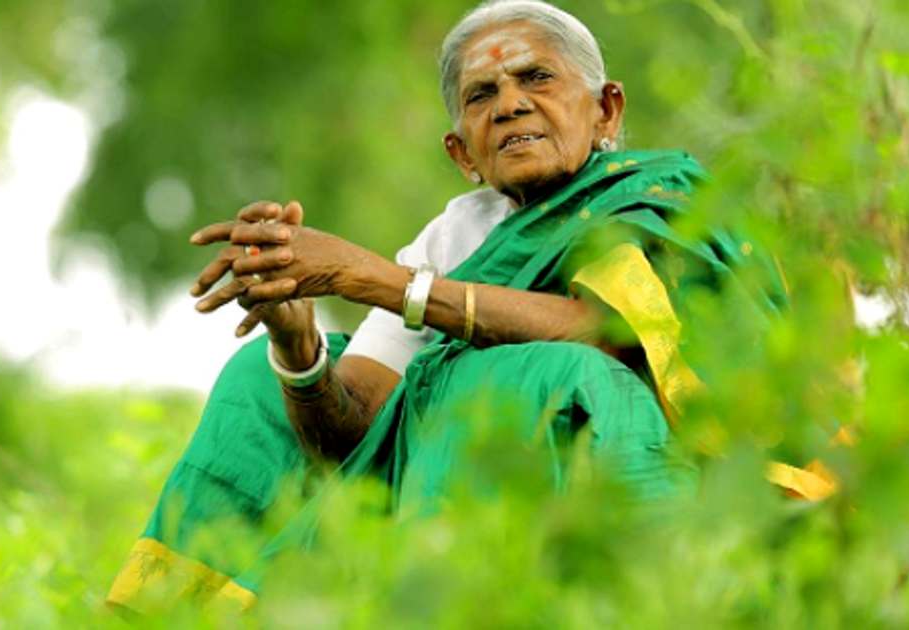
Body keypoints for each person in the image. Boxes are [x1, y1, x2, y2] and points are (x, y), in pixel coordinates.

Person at [107, 0, 785, 613]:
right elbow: (358, 430)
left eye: (537, 78)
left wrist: (381, 281)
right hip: (467, 475)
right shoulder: (456, 233)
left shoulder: (659, 201)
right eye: (482, 94)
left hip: (665, 465)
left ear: (605, 110)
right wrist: (297, 346)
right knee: (260, 376)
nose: (511, 105)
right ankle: (183, 612)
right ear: (463, 153)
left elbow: (613, 336)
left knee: (507, 378)